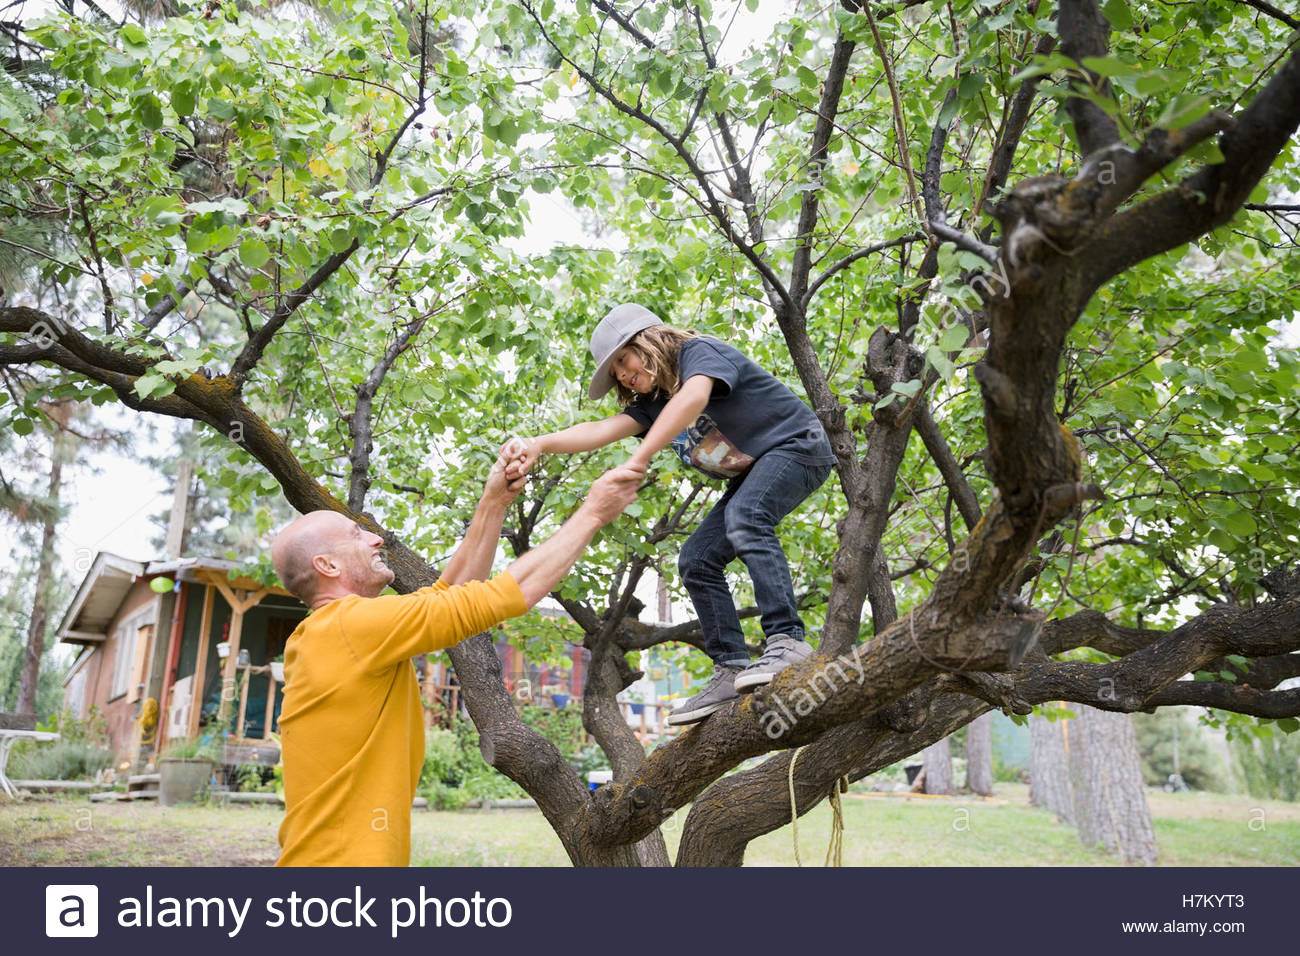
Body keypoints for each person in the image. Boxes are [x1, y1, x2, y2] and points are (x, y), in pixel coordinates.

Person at [269, 454, 643, 866]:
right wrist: (592, 512)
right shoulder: (351, 626)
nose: (376, 539)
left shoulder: (335, 632)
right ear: (327, 564)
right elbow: (511, 592)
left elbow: (450, 593)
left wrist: (493, 503)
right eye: (357, 535)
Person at [502, 303, 834, 725]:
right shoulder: (654, 404)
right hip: (756, 469)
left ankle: (787, 641)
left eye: (624, 359)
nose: (622, 374)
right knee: (697, 559)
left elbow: (695, 397)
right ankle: (730, 667)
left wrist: (639, 459)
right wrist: (539, 443)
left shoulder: (698, 352)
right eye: (616, 372)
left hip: (797, 447)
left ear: (648, 340)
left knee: (747, 517)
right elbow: (601, 429)